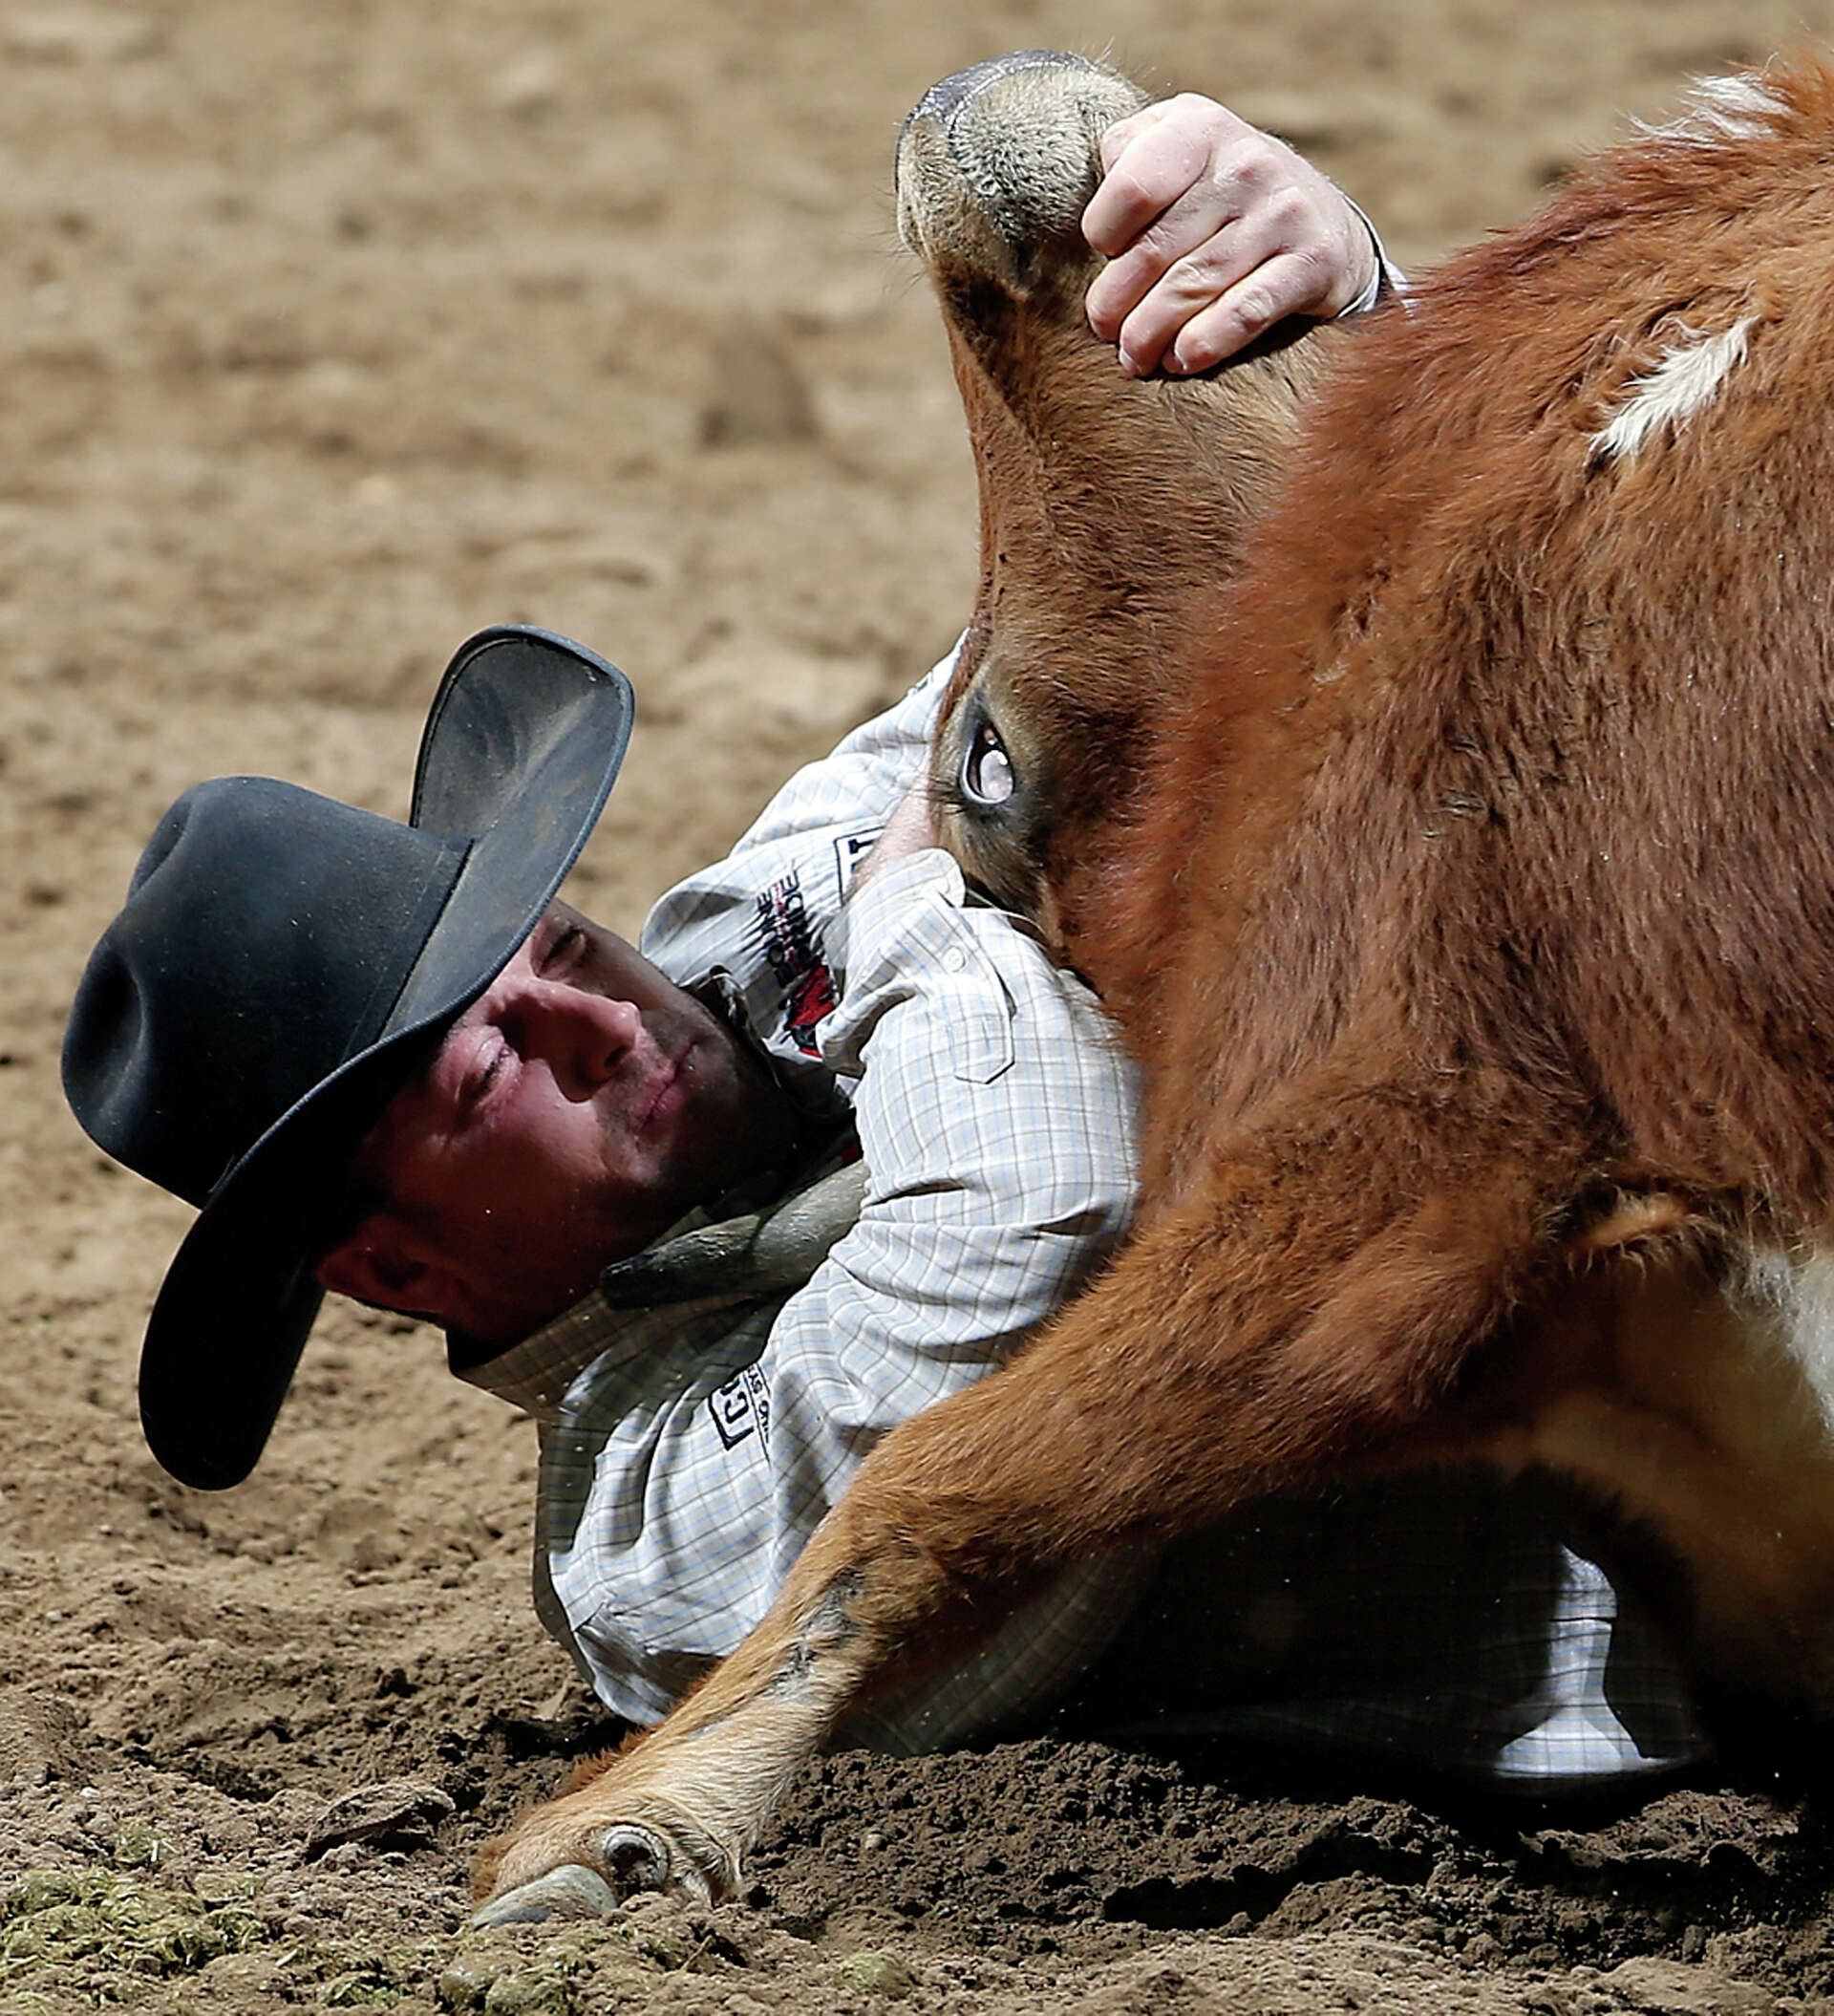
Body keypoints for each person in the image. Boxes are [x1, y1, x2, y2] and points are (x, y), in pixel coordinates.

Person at [64, 95, 1706, 1783]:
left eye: (551, 943)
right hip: (1712, 1603)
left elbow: (1146, 632)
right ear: (397, 1271)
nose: (598, 1011)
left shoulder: (740, 930)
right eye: (495, 1064)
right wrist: (932, 873)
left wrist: (1319, 291)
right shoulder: (649, 1545)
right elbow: (1045, 1204)